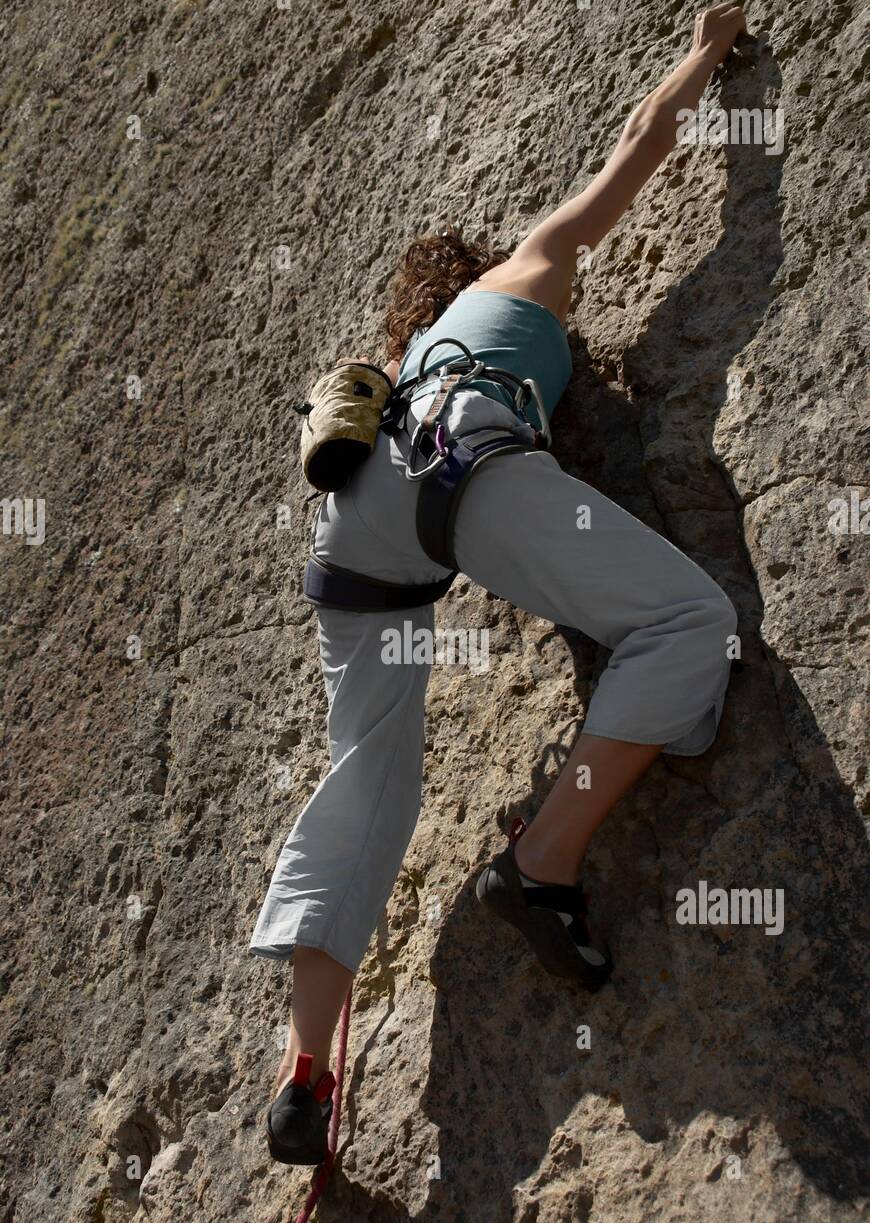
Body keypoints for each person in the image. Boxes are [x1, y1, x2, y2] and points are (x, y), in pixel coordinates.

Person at [252, 5, 747, 1164]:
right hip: (467, 468)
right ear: (480, 269)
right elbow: (638, 141)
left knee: (365, 783)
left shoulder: (408, 358)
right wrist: (706, 49)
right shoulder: (527, 270)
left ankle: (306, 1071)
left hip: (362, 517)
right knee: (688, 620)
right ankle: (542, 863)